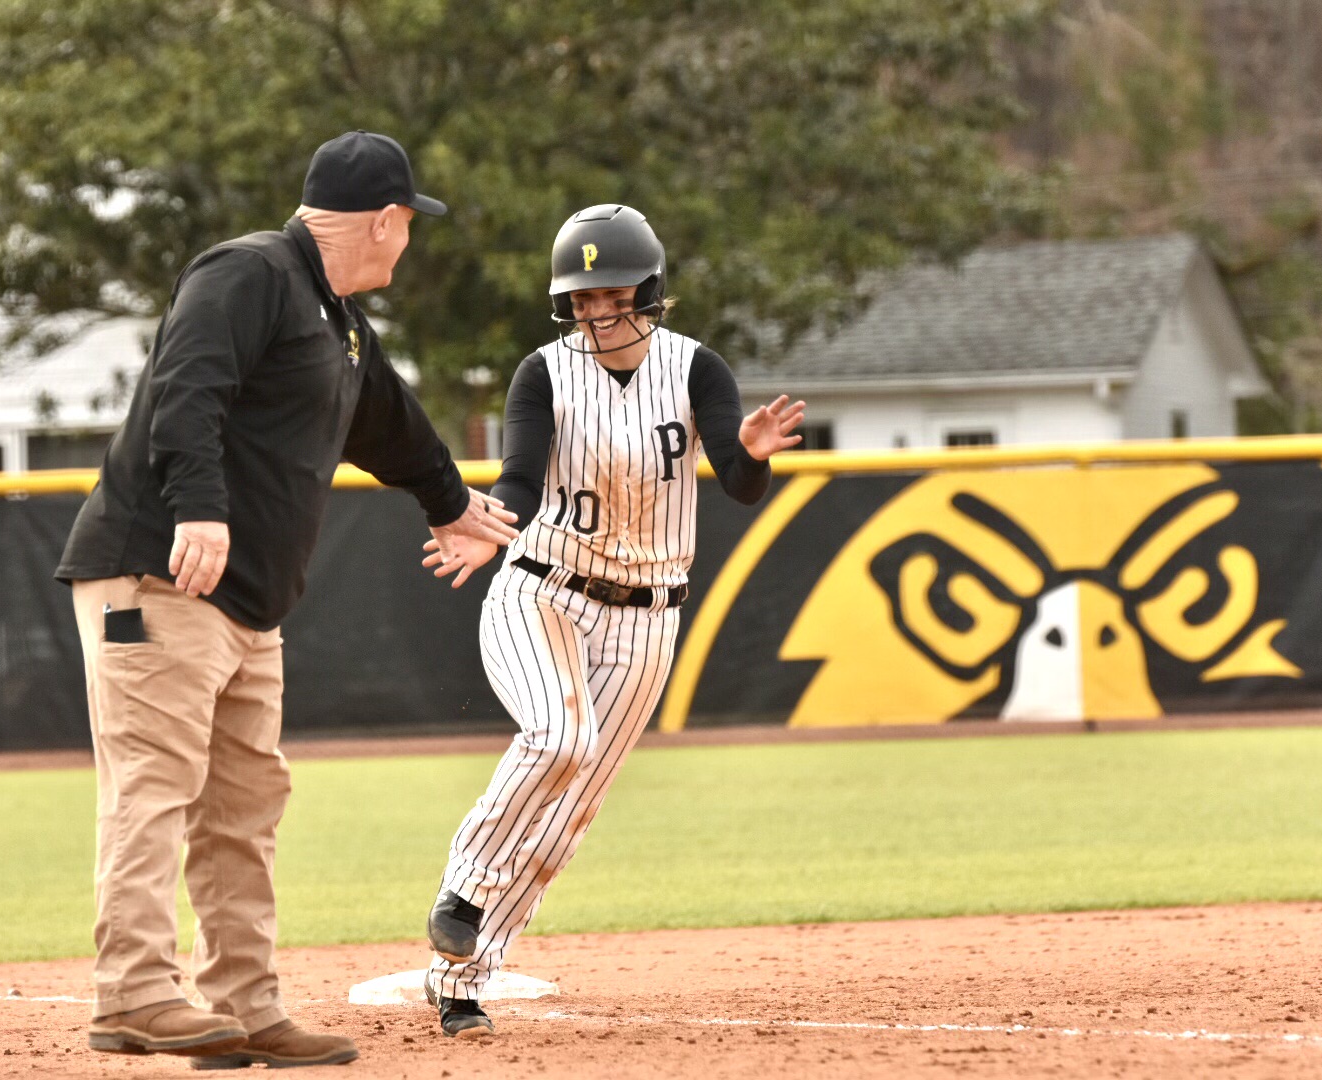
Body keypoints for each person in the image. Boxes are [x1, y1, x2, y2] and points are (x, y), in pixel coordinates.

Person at [54, 130, 519, 1069]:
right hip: (160, 577)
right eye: (408, 223)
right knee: (155, 783)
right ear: (383, 221)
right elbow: (187, 386)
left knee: (244, 806)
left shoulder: (334, 320)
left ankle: (244, 1004)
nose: (408, 241)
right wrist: (199, 506)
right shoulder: (250, 272)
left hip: (245, 607)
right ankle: (133, 993)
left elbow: (390, 425)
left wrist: (450, 504)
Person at [417, 204, 804, 1038]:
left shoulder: (696, 369)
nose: (596, 309)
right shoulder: (543, 373)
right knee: (560, 738)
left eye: (613, 293)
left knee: (565, 819)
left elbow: (738, 483)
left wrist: (752, 454)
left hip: (648, 616)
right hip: (542, 592)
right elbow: (521, 481)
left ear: (650, 292)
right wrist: (489, 529)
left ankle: (459, 983)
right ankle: (464, 890)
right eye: (582, 297)